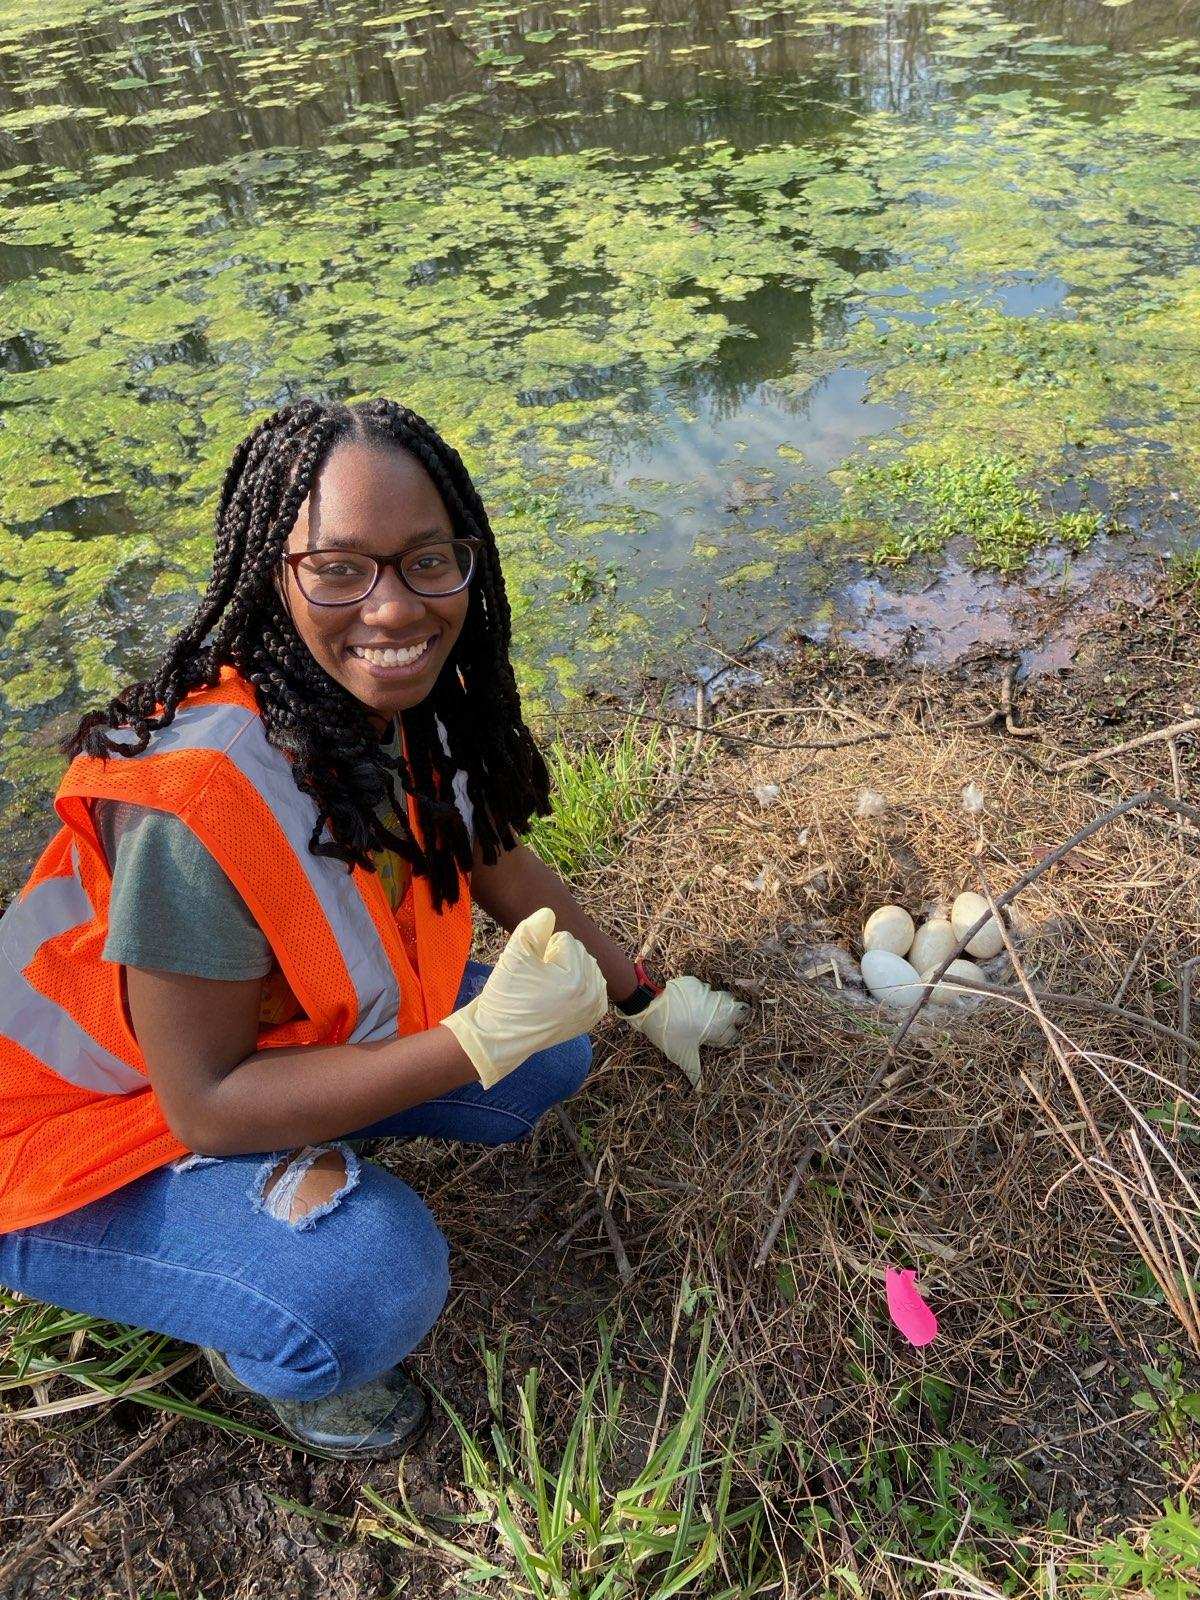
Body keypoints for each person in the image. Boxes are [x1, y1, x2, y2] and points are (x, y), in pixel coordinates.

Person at [0, 397, 746, 1459]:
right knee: (369, 1280)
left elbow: (489, 853)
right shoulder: (195, 808)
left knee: (553, 1055)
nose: (393, 610)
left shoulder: (396, 701)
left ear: (465, 564)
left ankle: (305, 1161)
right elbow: (207, 1105)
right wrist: (471, 1040)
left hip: (212, 1065)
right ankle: (268, 1337)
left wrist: (640, 992)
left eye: (426, 561)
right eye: (341, 569)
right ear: (274, 574)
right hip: (63, 1133)